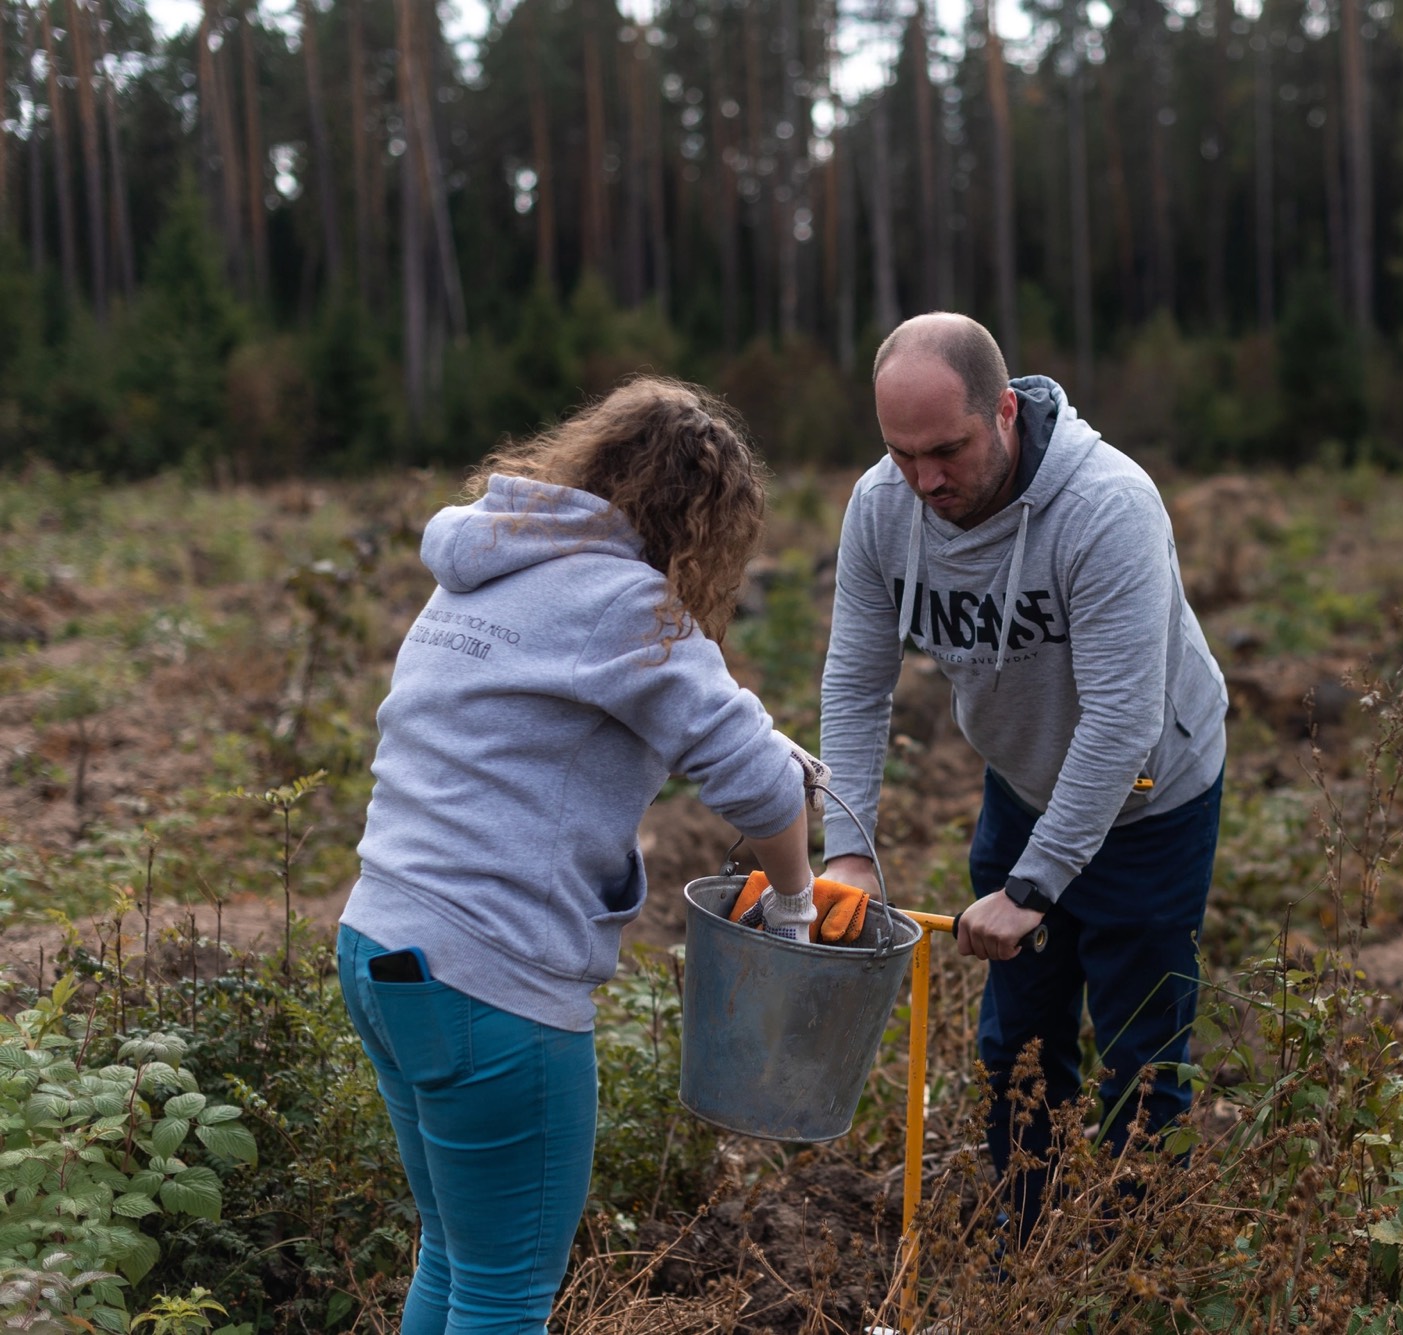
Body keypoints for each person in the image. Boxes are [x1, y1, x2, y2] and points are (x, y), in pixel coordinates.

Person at [337, 378, 829, 1335]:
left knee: (458, 1257)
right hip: (493, 976)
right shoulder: (624, 603)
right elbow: (763, 791)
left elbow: (709, 719)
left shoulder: (492, 566)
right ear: (703, 522)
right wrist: (796, 898)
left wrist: (767, 744)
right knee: (508, 1287)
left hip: (382, 946)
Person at [817, 312, 1229, 1234]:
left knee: (1141, 1055)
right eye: (901, 452)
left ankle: (1129, 1266)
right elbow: (854, 682)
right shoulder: (882, 508)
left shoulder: (1106, 507)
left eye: (947, 450)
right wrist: (846, 847)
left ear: (1003, 410)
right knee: (1017, 1049)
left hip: (1152, 802)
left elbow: (1123, 718)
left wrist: (1033, 885)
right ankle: (1024, 1247)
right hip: (1024, 783)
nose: (925, 480)